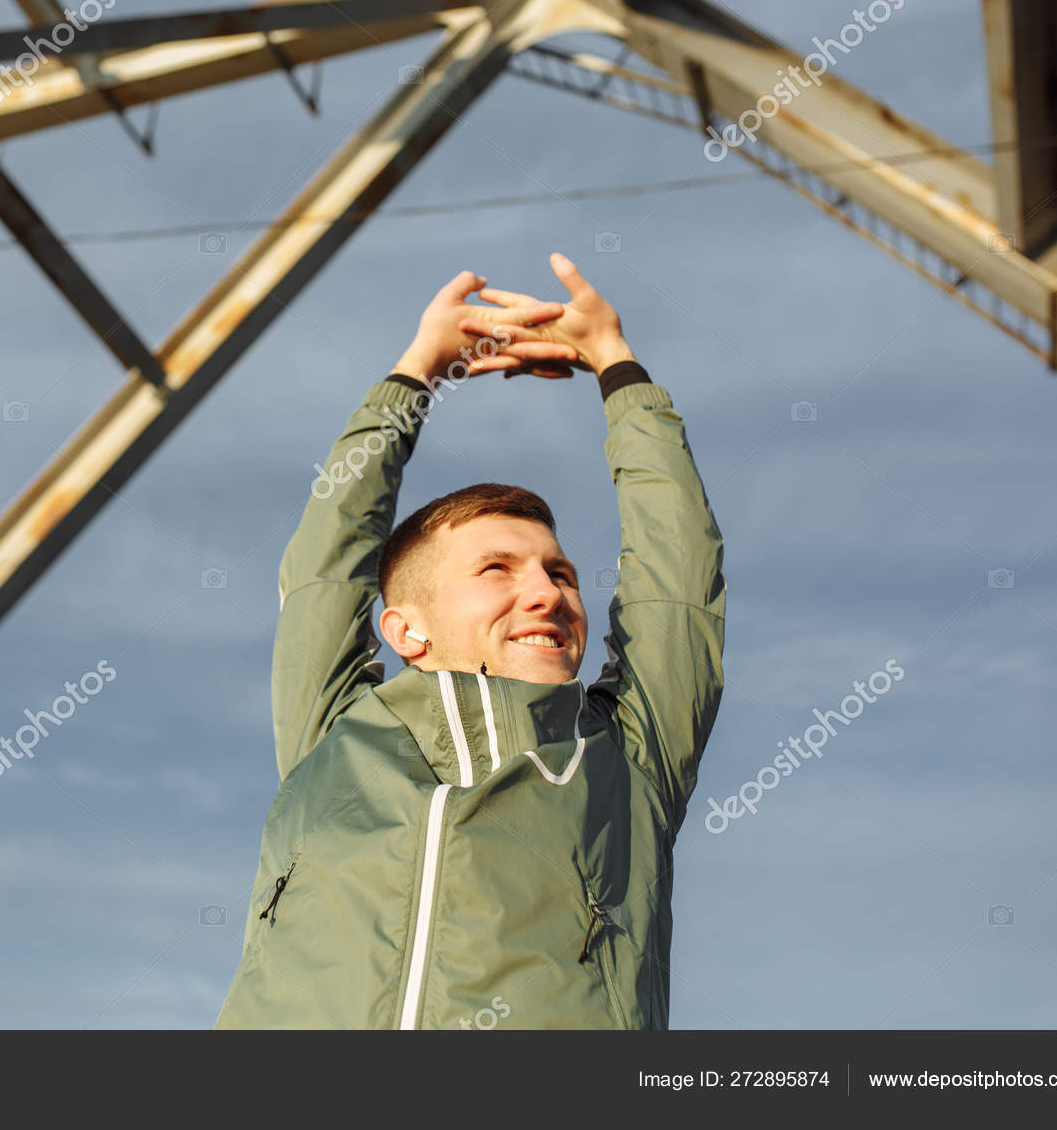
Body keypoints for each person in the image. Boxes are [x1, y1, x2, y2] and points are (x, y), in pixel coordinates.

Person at [214, 253, 726, 1029]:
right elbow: (327, 563)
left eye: (562, 572)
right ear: (404, 629)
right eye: (498, 567)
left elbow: (677, 580)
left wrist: (616, 367)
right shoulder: (333, 731)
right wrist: (415, 372)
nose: (547, 591)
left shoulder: (626, 754)